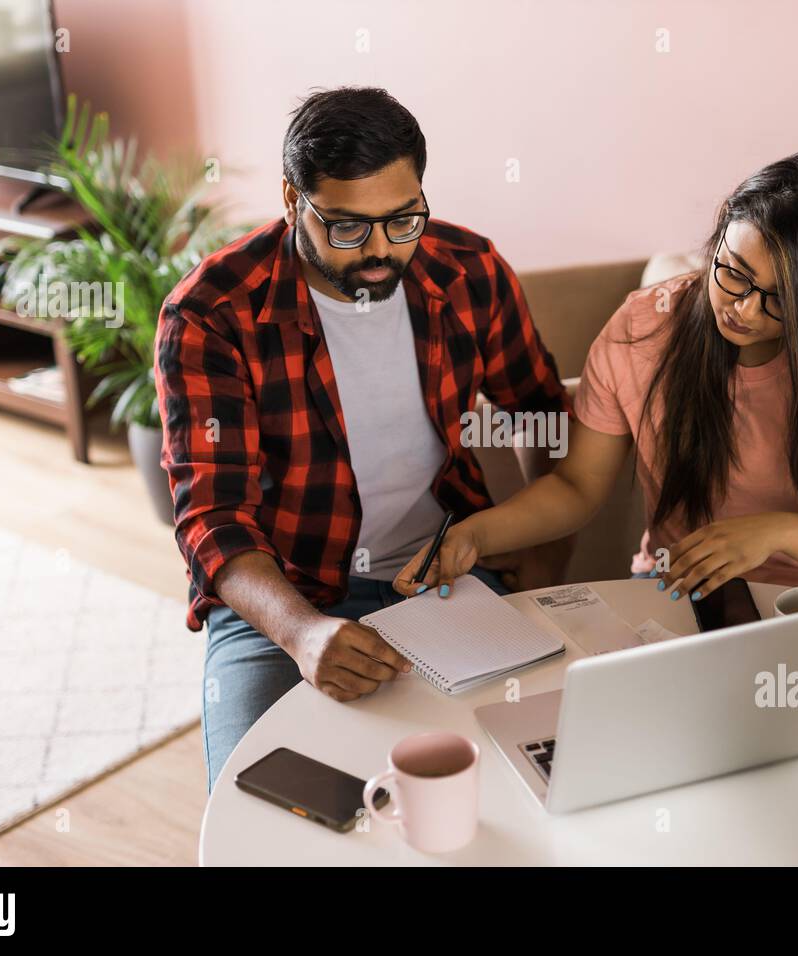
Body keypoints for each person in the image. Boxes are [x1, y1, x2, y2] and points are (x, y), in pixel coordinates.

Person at [155, 87, 571, 789]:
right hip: (284, 597)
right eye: (347, 227)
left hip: (447, 578)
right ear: (293, 201)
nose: (381, 250)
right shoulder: (212, 313)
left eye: (403, 220)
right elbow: (211, 519)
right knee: (264, 805)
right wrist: (301, 632)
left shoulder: (468, 271)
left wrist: (541, 556)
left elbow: (545, 417)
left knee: (537, 772)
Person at [394, 152, 798, 617]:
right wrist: (475, 534)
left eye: (780, 299)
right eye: (733, 272)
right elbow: (577, 488)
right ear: (719, 232)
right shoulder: (644, 330)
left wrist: (777, 533)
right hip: (687, 587)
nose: (743, 309)